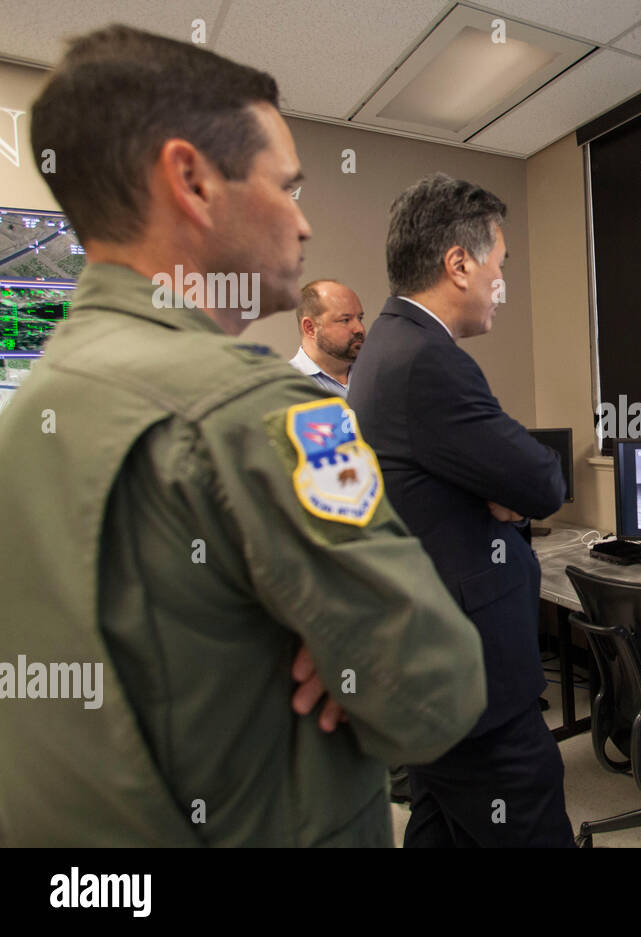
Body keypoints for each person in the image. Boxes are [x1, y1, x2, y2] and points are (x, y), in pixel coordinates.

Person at [0, 25, 487, 846]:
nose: (302, 224)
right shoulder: (258, 412)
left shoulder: (32, 413)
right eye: (287, 186)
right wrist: (351, 653)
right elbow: (437, 690)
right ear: (191, 179)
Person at [348, 173, 573, 847]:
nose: (502, 288)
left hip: (423, 674)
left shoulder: (384, 346)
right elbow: (542, 480)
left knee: (440, 826)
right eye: (499, 268)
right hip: (475, 691)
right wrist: (494, 488)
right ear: (459, 263)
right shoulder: (428, 361)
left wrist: (483, 485)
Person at [289, 279, 366, 397]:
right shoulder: (289, 386)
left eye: (360, 318)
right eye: (345, 320)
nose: (359, 329)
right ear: (310, 328)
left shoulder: (375, 374)